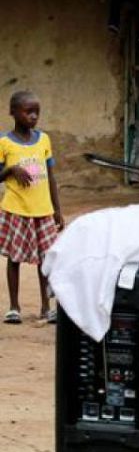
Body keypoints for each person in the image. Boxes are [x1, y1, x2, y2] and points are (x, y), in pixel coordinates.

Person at [0, 91, 64, 324]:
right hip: (16, 209)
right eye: (28, 112)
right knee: (14, 258)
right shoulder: (4, 142)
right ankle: (14, 307)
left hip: (43, 210)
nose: (34, 116)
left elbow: (51, 176)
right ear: (13, 113)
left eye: (37, 112)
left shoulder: (44, 140)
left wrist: (57, 209)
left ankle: (46, 307)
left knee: (45, 260)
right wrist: (10, 170)